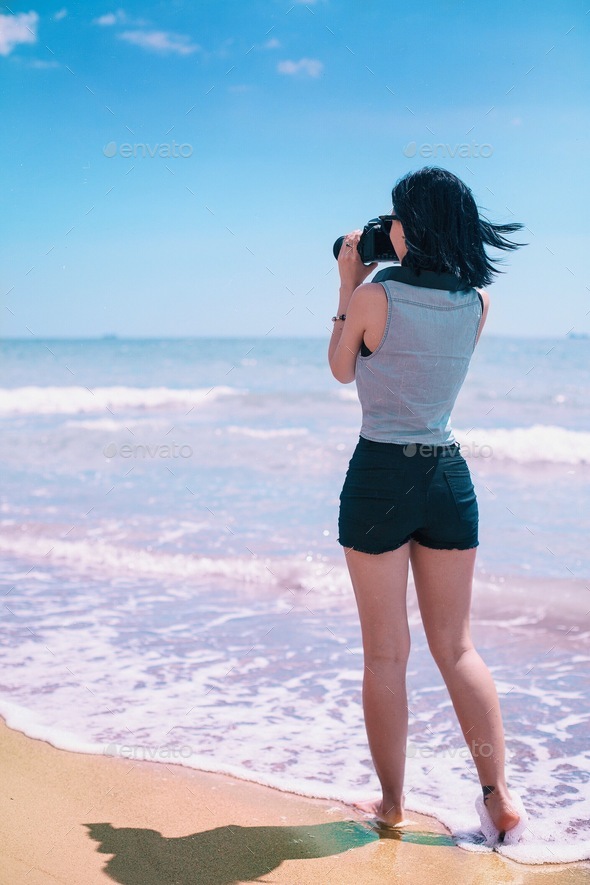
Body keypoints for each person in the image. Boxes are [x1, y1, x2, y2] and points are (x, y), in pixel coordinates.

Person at [328, 166, 526, 841]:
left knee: (387, 653)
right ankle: (498, 794)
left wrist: (347, 282)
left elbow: (341, 366)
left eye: (398, 216)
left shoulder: (375, 296)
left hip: (381, 475)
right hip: (447, 476)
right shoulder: (477, 303)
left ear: (411, 226)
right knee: (458, 646)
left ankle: (390, 804)